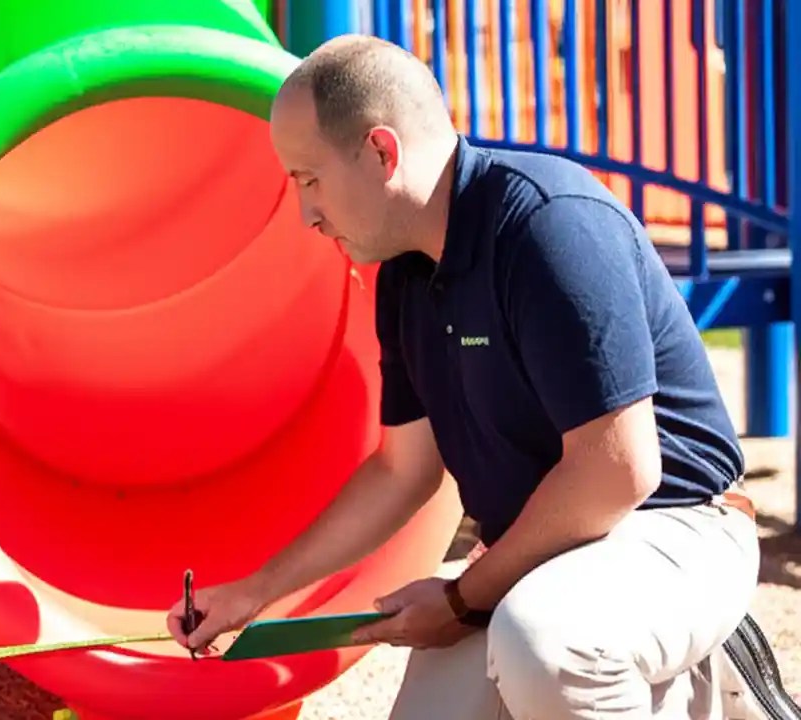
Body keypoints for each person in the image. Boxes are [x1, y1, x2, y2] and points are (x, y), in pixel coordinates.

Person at [166, 34, 761, 719]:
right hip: (544, 554)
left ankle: (689, 676)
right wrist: (254, 593)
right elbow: (402, 472)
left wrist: (461, 598)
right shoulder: (405, 274)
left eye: (309, 179)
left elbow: (619, 470)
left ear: (382, 152)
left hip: (674, 525)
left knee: (548, 642)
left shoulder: (548, 223)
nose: (307, 214)